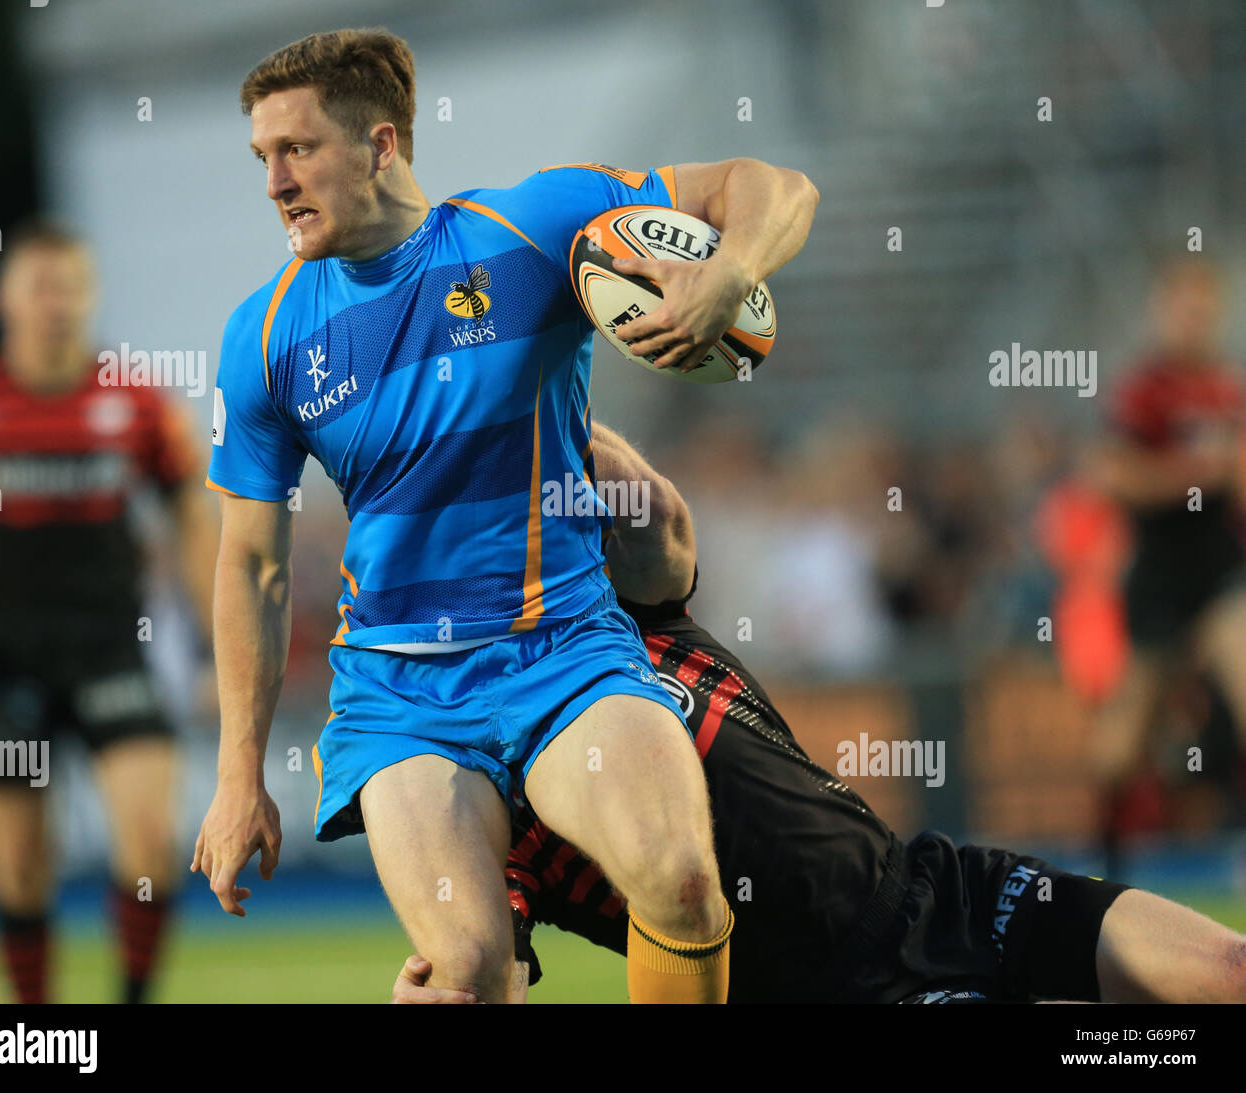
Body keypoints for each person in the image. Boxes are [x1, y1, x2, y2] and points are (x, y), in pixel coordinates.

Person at [190, 26, 819, 1004]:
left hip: (565, 648)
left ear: (382, 144)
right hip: (401, 693)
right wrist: (239, 779)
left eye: (297, 149)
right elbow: (251, 570)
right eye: (261, 157)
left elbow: (772, 184)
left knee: (687, 884)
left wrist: (729, 269)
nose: (273, 180)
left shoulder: (531, 227)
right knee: (470, 973)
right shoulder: (266, 334)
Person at [392, 423, 1246, 1003]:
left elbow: (656, 515)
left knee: (1225, 970)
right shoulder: (496, 796)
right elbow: (481, 954)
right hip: (832, 988)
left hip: (937, 885)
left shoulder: (624, 624)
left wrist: (525, 398)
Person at [0, 223, 218, 1003]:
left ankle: (130, 1000)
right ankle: (39, 1033)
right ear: (6, 299)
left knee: (149, 848)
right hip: (4, 660)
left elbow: (190, 523)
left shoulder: (136, 402)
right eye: (39, 285)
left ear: (90, 296)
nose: (55, 303)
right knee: (21, 866)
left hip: (112, 649)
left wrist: (216, 648)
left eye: (70, 286)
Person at [1089, 256, 1246, 866]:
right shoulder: (1142, 390)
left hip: (1220, 567)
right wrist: (1194, 474)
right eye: (1185, 305)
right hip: (1160, 572)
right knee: (1124, 744)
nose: (1195, 318)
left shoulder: (1229, 388)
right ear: (1163, 309)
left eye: (1205, 307)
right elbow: (1113, 477)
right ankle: (1106, 862)